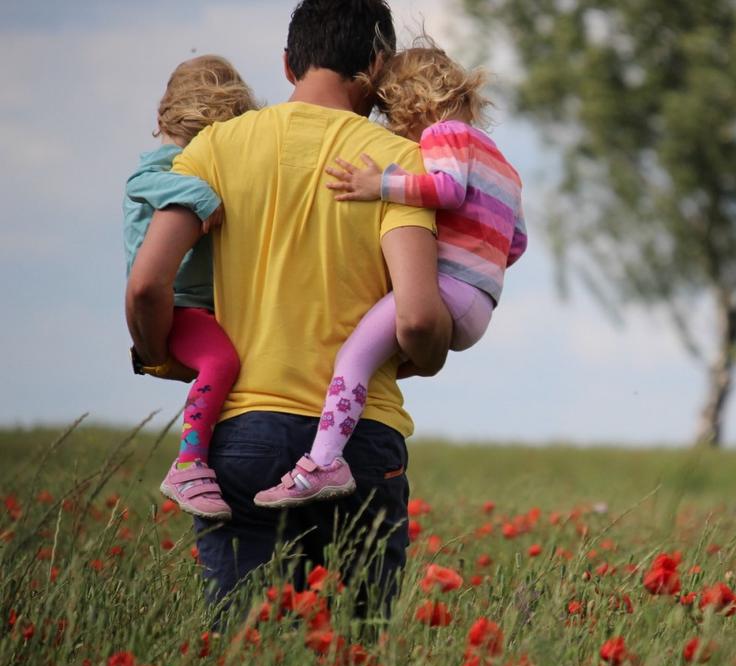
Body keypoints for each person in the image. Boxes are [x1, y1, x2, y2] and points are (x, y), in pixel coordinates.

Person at [125, 0, 451, 607]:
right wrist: (425, 357)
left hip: (243, 435)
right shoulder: (398, 163)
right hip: (361, 440)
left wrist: (157, 355)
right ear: (377, 65)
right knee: (357, 646)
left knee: (247, 646)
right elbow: (420, 317)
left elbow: (147, 284)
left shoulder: (213, 150)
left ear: (286, 65)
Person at [254, 42, 527, 507]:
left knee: (352, 359)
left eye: (390, 112)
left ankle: (323, 463)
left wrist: (377, 184)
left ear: (412, 103)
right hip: (481, 303)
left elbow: (446, 189)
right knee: (376, 360)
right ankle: (337, 441)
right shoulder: (504, 164)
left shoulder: (444, 135)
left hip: (447, 289)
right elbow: (516, 243)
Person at [124, 55, 257, 520]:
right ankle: (189, 463)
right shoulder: (165, 166)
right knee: (221, 361)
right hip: (178, 306)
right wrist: (201, 195)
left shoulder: (191, 161)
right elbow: (142, 182)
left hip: (202, 306)